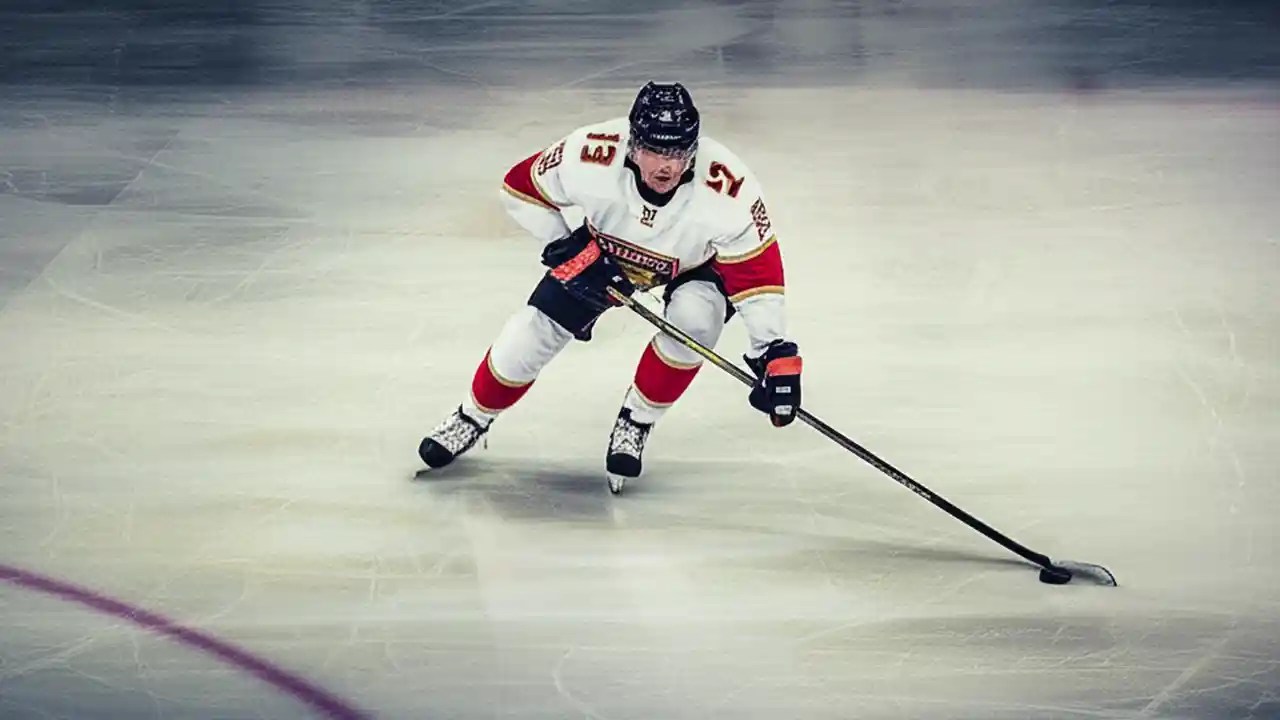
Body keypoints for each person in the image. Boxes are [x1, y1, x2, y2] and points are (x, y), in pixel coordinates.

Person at [419, 82, 802, 494]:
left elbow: (758, 273)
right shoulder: (589, 153)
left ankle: (636, 421)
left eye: (677, 152)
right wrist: (566, 245)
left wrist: (774, 352)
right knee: (529, 334)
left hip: (693, 265)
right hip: (602, 258)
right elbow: (519, 188)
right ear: (632, 145)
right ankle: (472, 416)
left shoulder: (729, 188)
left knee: (697, 322)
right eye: (655, 150)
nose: (666, 166)